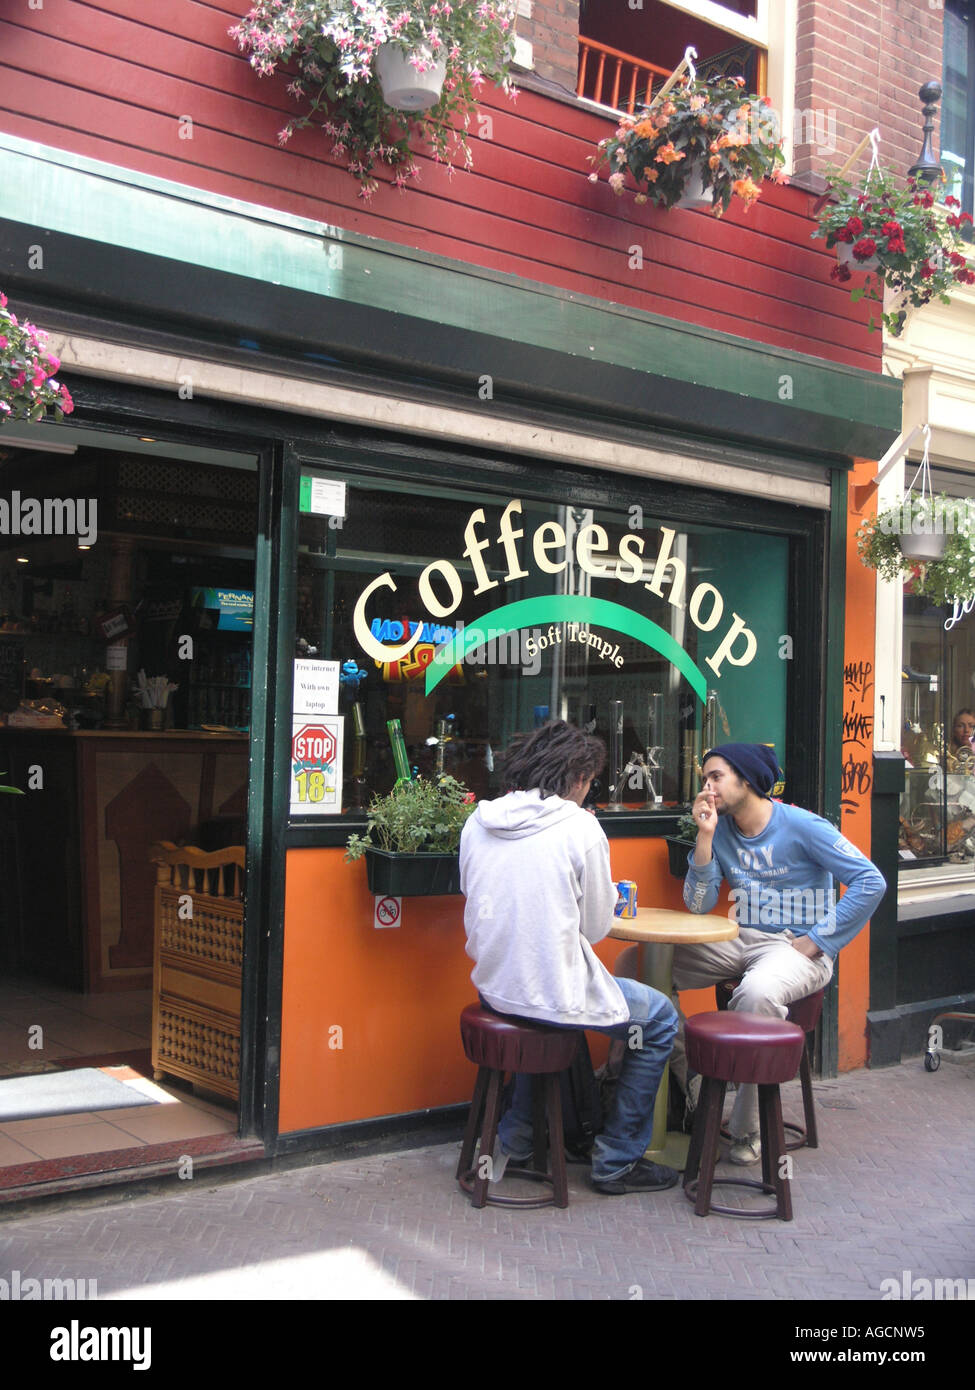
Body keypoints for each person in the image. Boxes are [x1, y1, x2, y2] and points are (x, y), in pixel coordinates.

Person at [459, 720, 679, 1196]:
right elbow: (597, 927)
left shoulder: (477, 821)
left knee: (546, 1019)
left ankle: (512, 1139)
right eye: (590, 782)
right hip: (550, 994)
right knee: (659, 1017)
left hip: (493, 990)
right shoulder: (580, 826)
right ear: (578, 778)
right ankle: (618, 1159)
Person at [674, 742, 886, 1166]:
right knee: (641, 966)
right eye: (704, 780)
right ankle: (692, 1083)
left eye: (715, 776)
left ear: (747, 780)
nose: (707, 787)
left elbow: (870, 881)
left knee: (756, 994)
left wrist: (818, 941)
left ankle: (747, 1128)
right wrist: (705, 836)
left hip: (795, 946)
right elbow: (697, 904)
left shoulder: (803, 826)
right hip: (741, 936)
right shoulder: (722, 830)